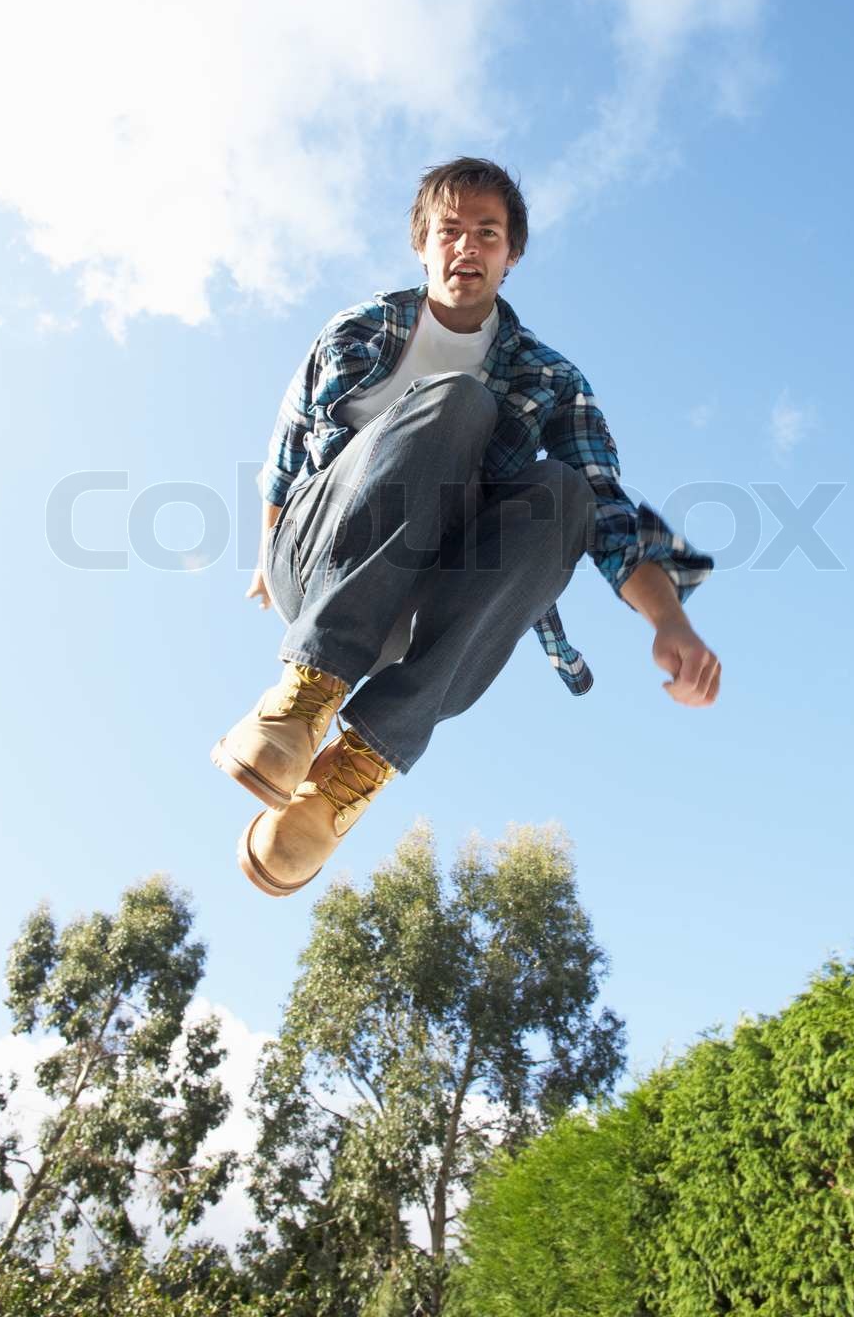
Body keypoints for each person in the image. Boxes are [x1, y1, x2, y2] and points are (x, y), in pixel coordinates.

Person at [212, 158, 720, 897]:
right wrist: (267, 555)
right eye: (450, 231)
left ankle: (346, 780)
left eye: (487, 234)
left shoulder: (550, 378)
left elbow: (606, 508)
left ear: (510, 257)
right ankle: (303, 698)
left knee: (565, 491)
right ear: (422, 244)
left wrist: (666, 619)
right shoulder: (357, 330)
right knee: (458, 403)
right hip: (321, 566)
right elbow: (288, 460)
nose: (467, 248)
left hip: (426, 610)